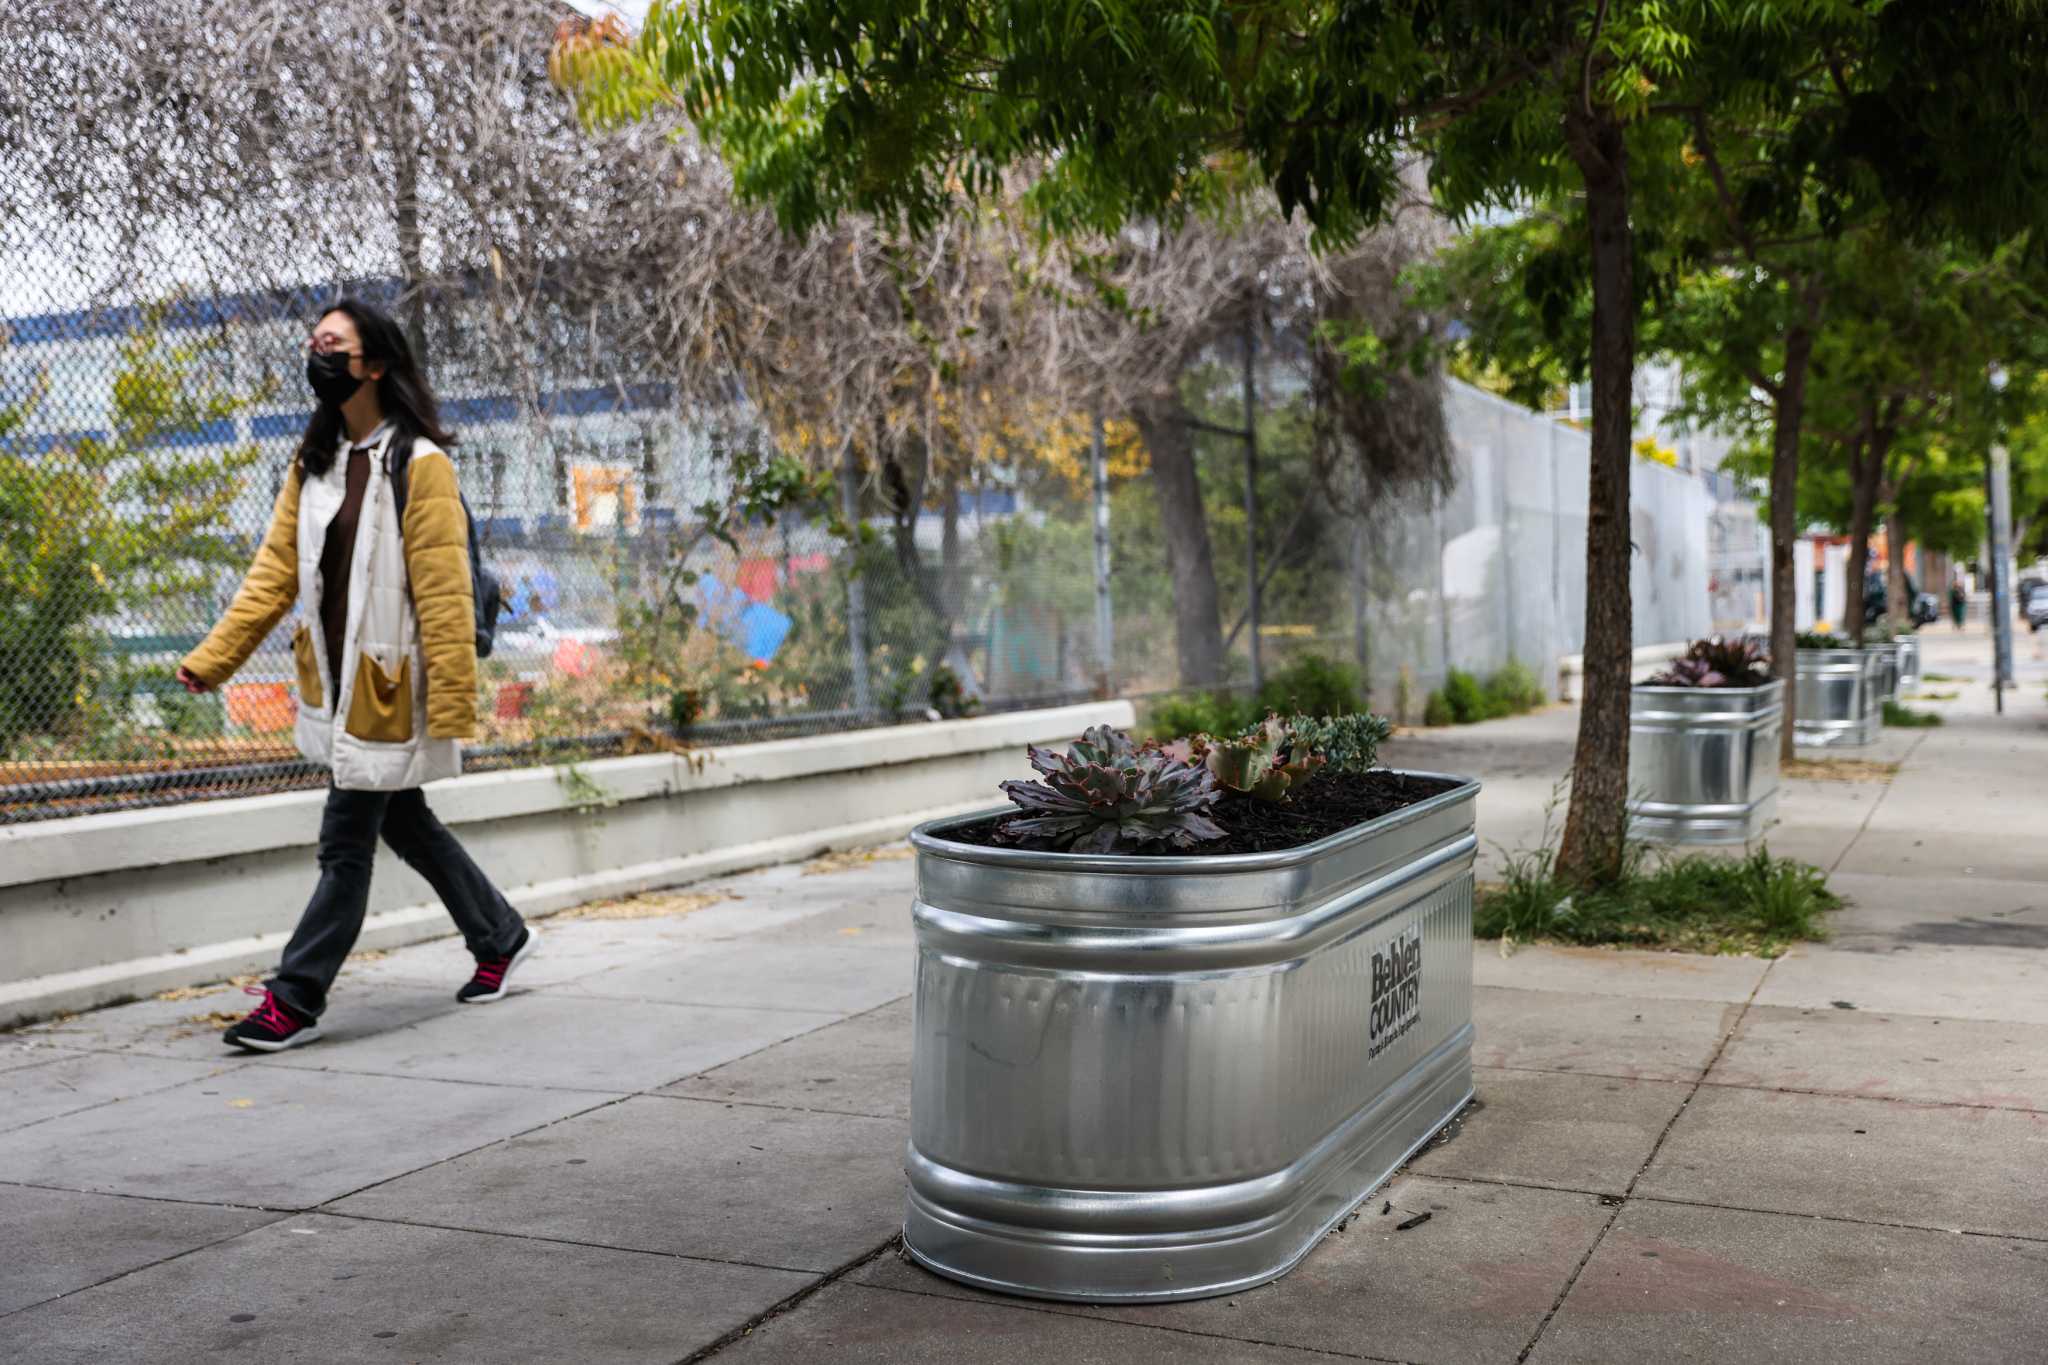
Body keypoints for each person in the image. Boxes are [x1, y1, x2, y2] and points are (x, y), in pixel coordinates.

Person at [176, 299, 535, 1052]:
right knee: (406, 820)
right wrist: (215, 660)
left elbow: (442, 590)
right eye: (315, 344)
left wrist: (453, 701)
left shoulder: (421, 463)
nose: (318, 354)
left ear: (374, 364)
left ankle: (294, 996)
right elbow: (273, 575)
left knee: (345, 846)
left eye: (332, 344)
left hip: (388, 690)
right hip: (336, 686)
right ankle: (498, 933)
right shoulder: (313, 463)